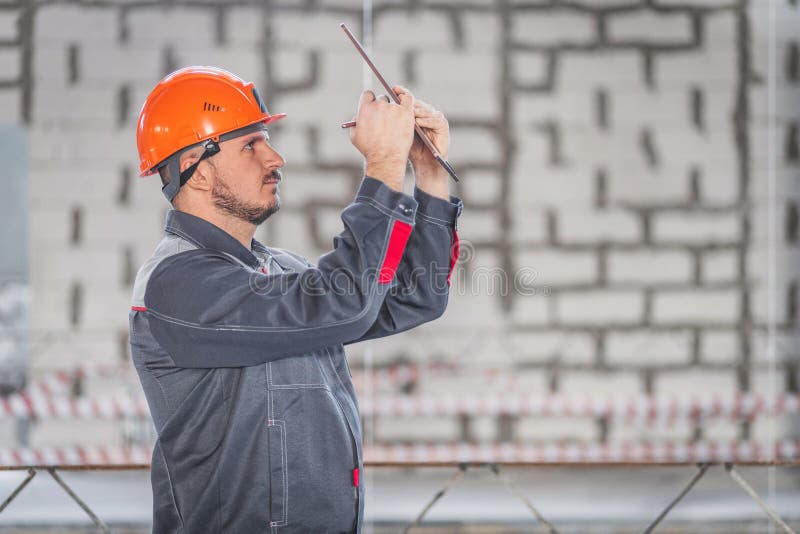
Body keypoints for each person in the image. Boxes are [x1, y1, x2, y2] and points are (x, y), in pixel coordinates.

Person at [129, 65, 462, 533]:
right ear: (196, 171)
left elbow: (416, 295)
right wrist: (383, 167)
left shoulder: (279, 271)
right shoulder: (177, 285)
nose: (275, 158)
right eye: (250, 145)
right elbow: (341, 301)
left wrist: (426, 172)